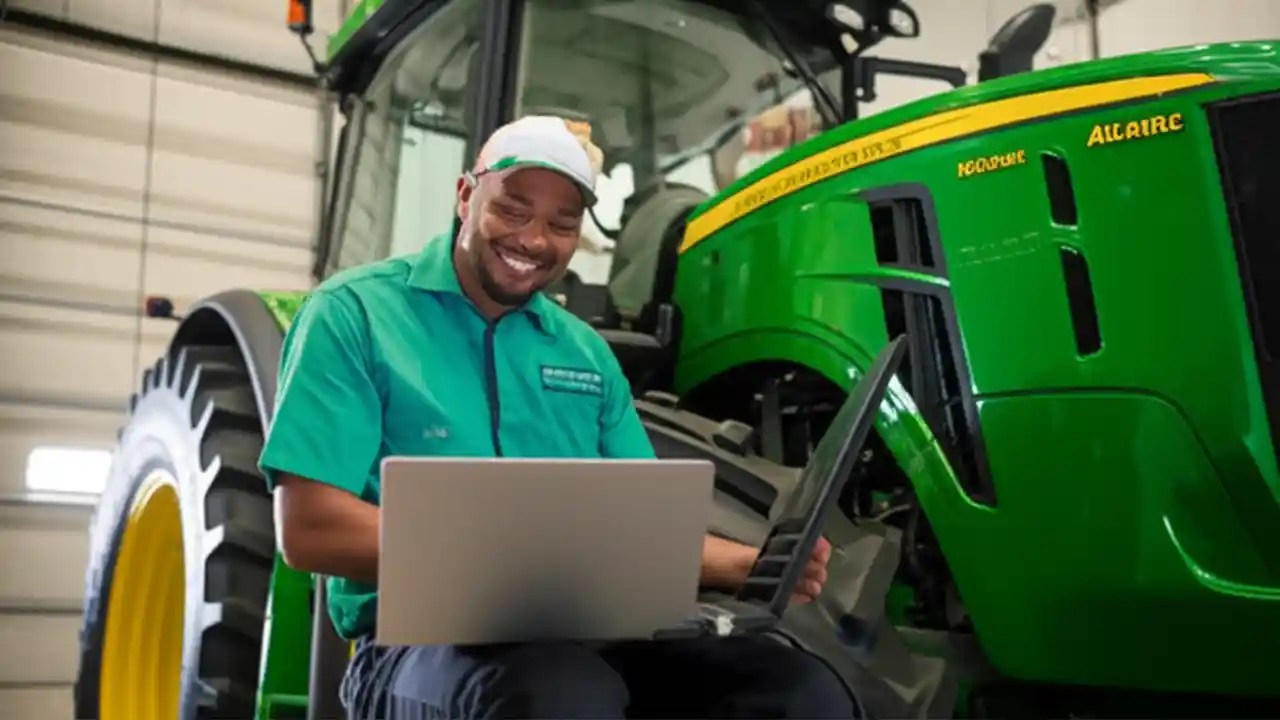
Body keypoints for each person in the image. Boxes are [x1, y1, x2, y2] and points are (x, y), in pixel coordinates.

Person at [258, 114, 858, 719]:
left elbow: (640, 531)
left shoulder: (586, 354)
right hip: (414, 645)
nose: (534, 240)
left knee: (798, 691)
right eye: (512, 210)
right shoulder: (353, 314)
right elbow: (311, 529)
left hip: (587, 637)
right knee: (559, 694)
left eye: (562, 223)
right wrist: (510, 553)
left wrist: (750, 563)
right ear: (466, 196)